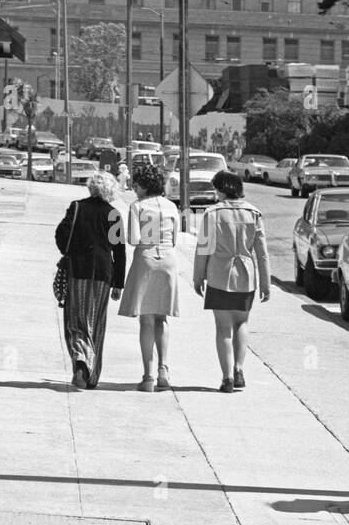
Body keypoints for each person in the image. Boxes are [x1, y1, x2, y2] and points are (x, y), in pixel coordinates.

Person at [193, 169, 270, 392]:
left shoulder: (211, 213)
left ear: (221, 189)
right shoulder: (254, 213)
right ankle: (238, 368)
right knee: (242, 323)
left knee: (223, 328)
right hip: (246, 276)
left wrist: (198, 277)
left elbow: (203, 250)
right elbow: (262, 253)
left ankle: (226, 377)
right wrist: (265, 283)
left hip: (219, 275)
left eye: (216, 189)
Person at [55, 170, 126, 389]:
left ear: (91, 187)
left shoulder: (77, 207)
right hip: (104, 274)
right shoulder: (114, 214)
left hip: (79, 270)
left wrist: (72, 251)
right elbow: (120, 251)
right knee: (96, 323)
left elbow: (61, 235)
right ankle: (92, 375)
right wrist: (118, 283)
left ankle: (80, 359)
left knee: (76, 320)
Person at [118, 160, 181, 391]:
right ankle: (164, 369)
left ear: (144, 185)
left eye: (137, 184)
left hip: (146, 258)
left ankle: (147, 376)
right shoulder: (171, 206)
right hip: (167, 259)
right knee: (162, 319)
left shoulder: (138, 207)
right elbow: (175, 239)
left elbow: (134, 238)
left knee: (146, 320)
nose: (134, 187)